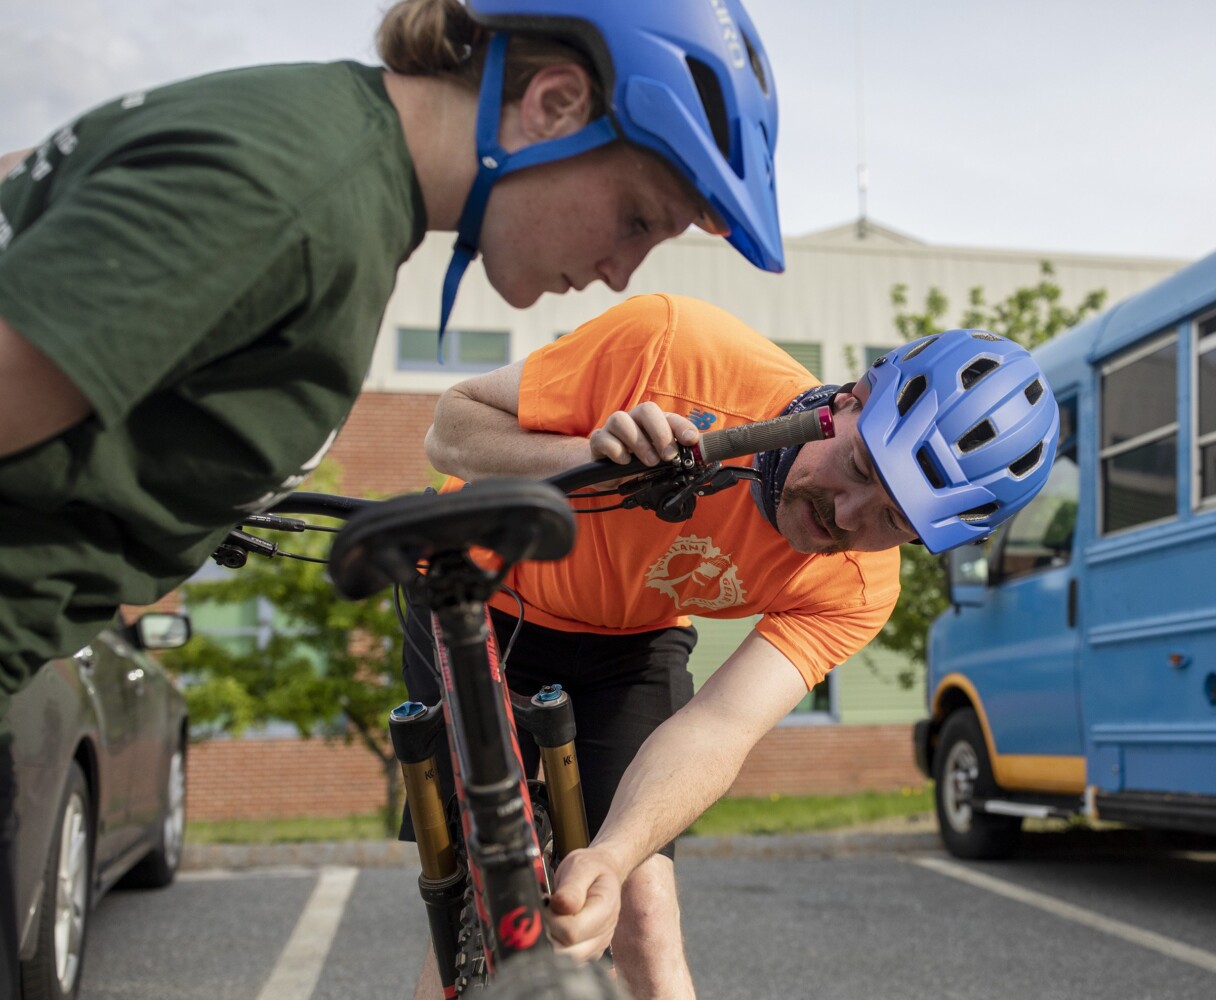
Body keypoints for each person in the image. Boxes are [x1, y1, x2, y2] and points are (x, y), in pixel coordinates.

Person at [0, 0, 781, 993]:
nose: (621, 270)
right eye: (636, 218)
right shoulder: (299, 191)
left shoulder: (331, 177)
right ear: (554, 102)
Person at [409, 292, 1060, 998]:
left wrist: (612, 857)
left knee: (647, 915)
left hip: (630, 637)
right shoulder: (672, 346)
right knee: (472, 900)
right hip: (469, 587)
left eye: (890, 519)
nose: (843, 516)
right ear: (844, 402)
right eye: (863, 469)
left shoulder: (860, 587)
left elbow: (722, 727)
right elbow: (449, 431)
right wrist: (592, 457)